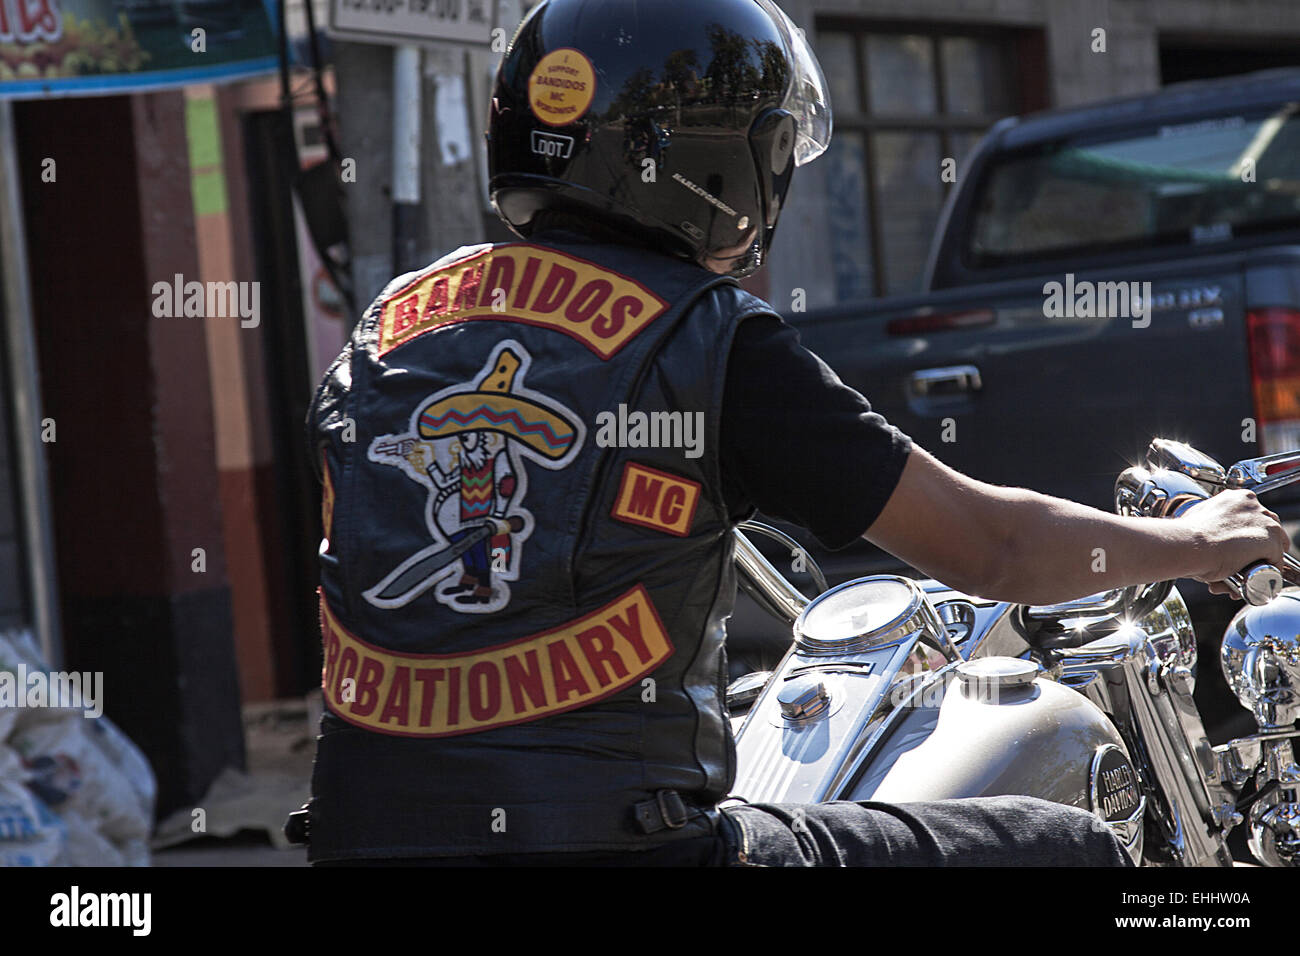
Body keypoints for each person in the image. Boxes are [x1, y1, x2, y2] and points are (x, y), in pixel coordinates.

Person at [302, 0, 1286, 866]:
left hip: (358, 836)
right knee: (1067, 840)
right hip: (620, 843)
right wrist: (1199, 540)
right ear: (710, 160)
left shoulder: (390, 326)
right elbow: (997, 546)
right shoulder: (699, 330)